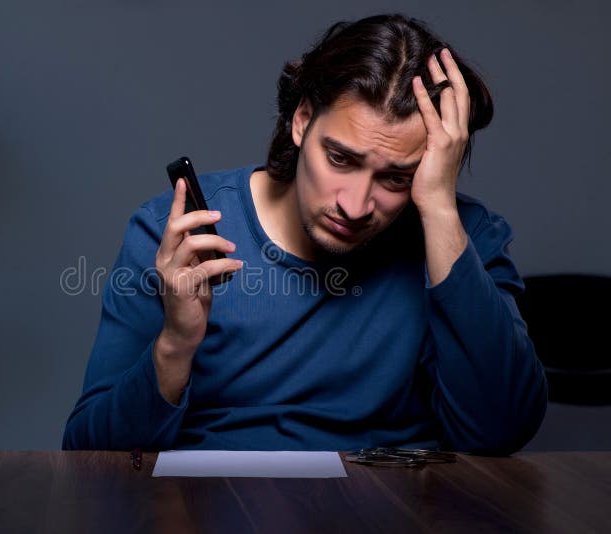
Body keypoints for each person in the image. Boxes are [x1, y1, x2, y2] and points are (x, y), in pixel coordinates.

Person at [62, 14, 547, 455]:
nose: (356, 206)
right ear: (300, 121)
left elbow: (502, 431)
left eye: (397, 177)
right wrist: (175, 346)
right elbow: (88, 451)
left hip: (390, 505)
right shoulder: (176, 235)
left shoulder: (462, 237)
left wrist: (439, 211)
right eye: (341, 159)